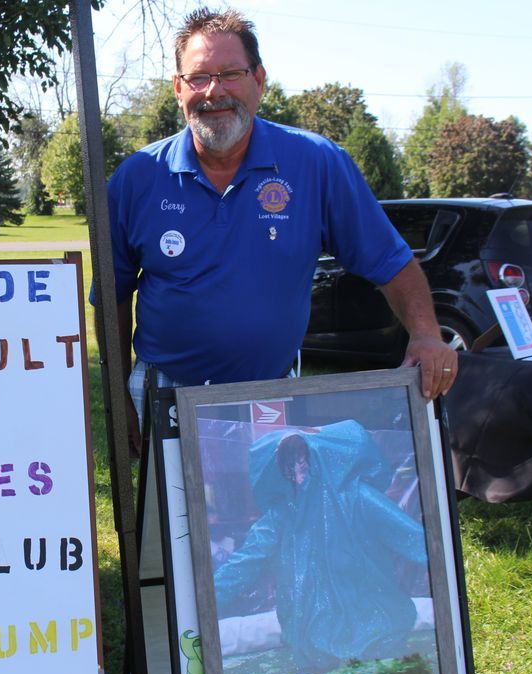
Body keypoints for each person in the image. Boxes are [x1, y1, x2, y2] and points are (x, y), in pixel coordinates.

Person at [98, 7, 457, 453]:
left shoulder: (316, 163)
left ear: (259, 80)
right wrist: (117, 394)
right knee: (168, 502)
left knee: (269, 494)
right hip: (164, 389)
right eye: (199, 77)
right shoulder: (137, 176)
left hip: (270, 393)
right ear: (178, 88)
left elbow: (390, 260)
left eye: (231, 74)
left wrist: (425, 333)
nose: (214, 91)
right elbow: (112, 295)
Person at [214, 421, 431, 673]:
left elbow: (415, 540)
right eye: (289, 466)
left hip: (373, 629)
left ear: (319, 458)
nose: (298, 474)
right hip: (313, 641)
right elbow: (244, 563)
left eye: (303, 462)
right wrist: (206, 602)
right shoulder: (282, 514)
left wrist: (448, 576)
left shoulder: (358, 499)